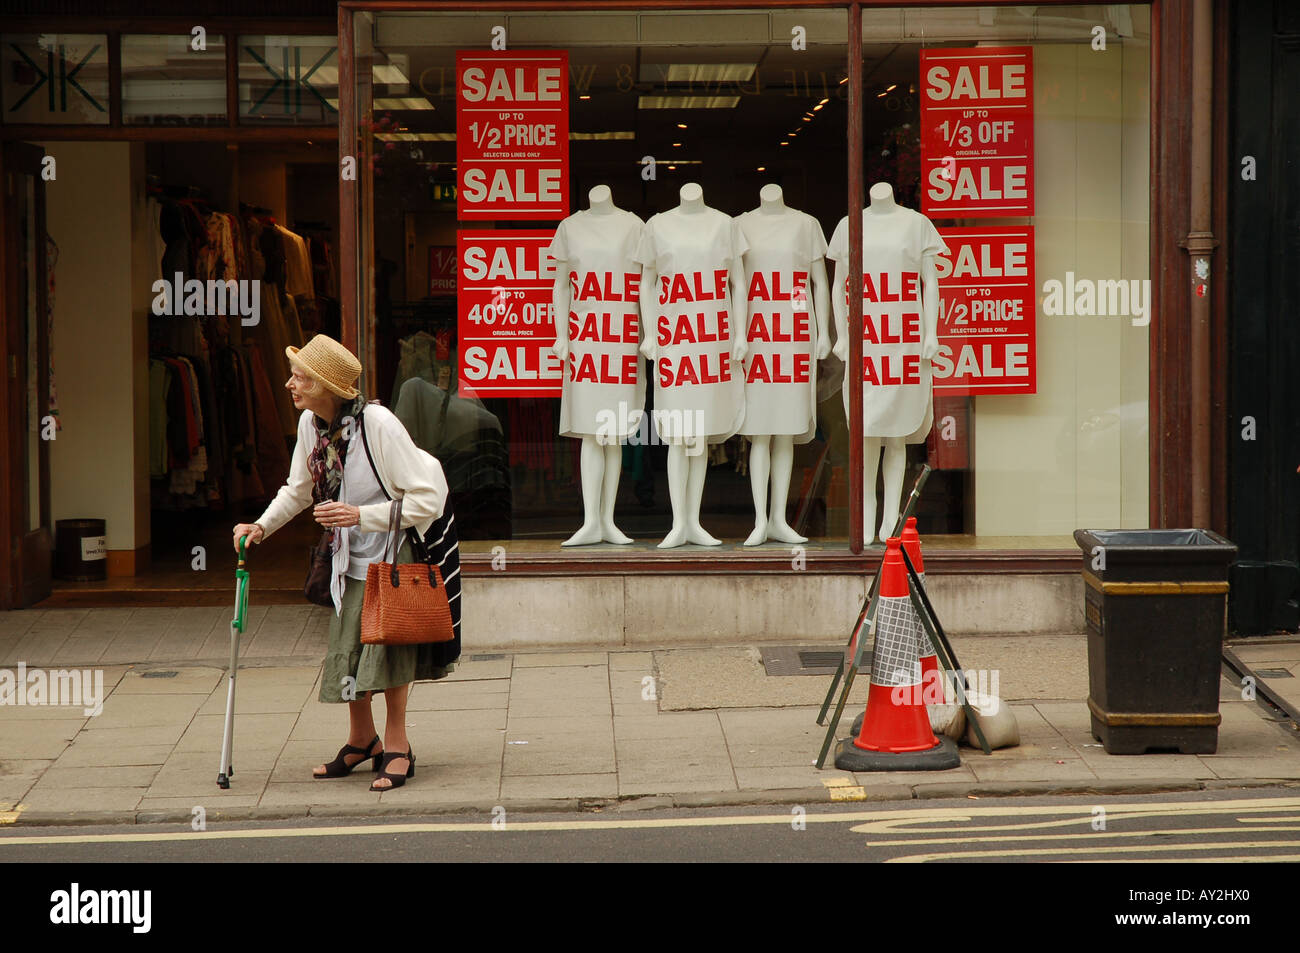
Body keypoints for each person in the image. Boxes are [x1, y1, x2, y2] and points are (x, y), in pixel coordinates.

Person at [232, 334, 456, 791]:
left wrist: (360, 516)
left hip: (392, 551)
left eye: (300, 377)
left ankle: (398, 746)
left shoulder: (379, 424)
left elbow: (427, 499)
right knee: (350, 645)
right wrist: (259, 527)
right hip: (347, 556)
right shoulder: (312, 426)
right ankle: (362, 741)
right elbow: (297, 489)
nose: (289, 383)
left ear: (327, 387)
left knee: (390, 647)